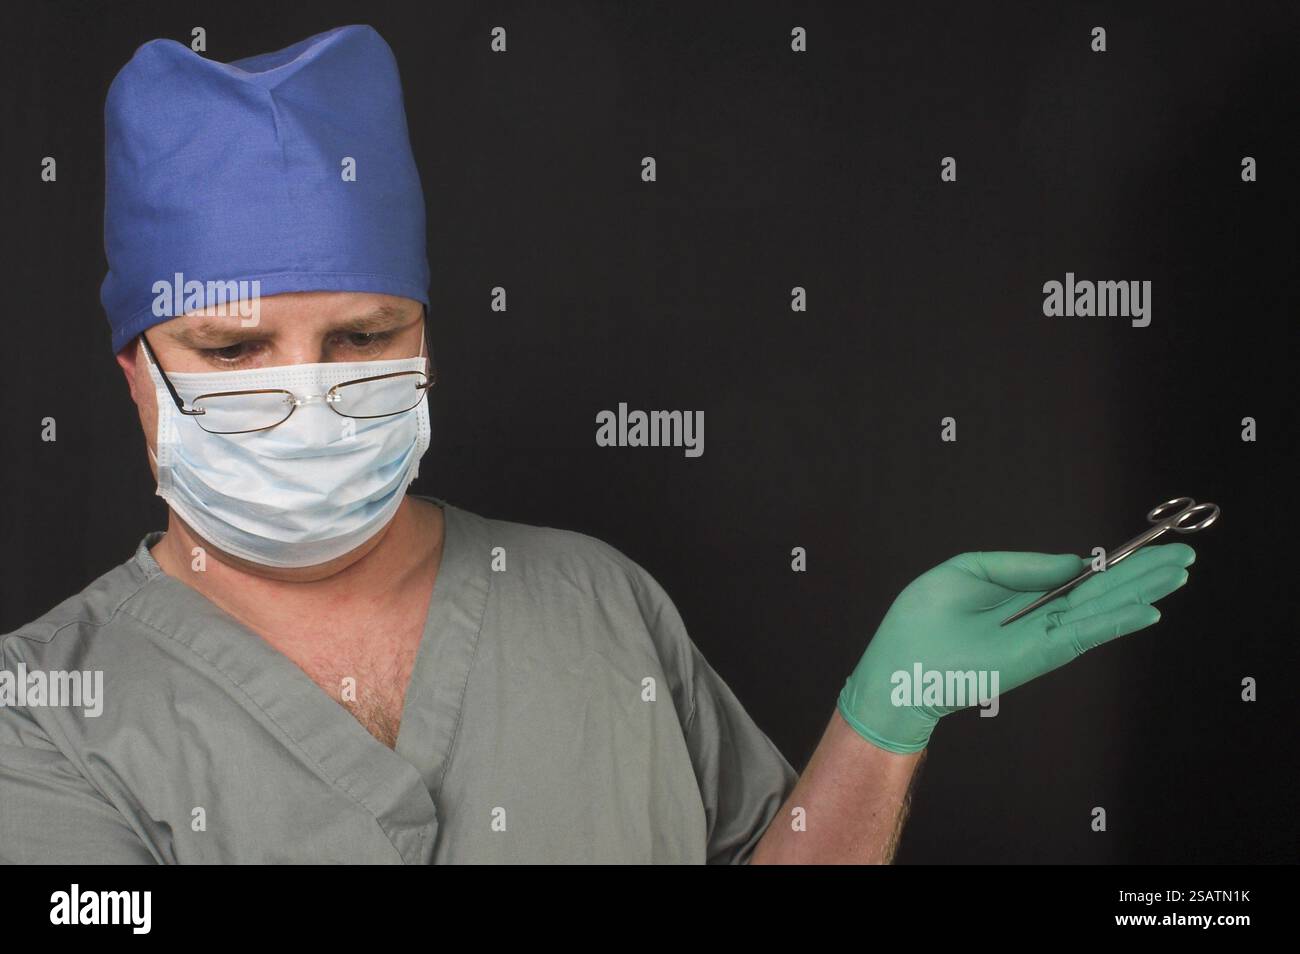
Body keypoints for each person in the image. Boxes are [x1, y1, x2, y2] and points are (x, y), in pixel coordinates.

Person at [0, 25, 1197, 864]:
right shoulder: (41, 712)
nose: (308, 396)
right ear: (134, 376)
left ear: (424, 336)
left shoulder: (593, 600)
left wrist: (882, 723)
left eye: (363, 334)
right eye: (233, 350)